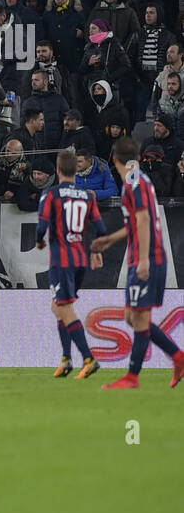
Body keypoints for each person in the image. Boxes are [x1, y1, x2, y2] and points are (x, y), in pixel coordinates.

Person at [90, 136, 184, 390]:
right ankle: (177, 356)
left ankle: (133, 376)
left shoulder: (133, 182)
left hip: (148, 257)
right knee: (133, 317)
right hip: (143, 255)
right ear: (138, 158)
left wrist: (143, 260)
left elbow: (142, 221)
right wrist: (109, 240)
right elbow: (135, 223)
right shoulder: (138, 179)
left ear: (115, 160)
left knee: (139, 318)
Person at [35, 149, 107, 381]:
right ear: (75, 170)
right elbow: (101, 229)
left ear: (57, 170)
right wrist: (96, 250)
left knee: (64, 308)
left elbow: (41, 227)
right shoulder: (88, 196)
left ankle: (88, 358)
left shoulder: (51, 195)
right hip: (80, 261)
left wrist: (39, 241)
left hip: (61, 261)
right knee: (58, 308)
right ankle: (66, 359)